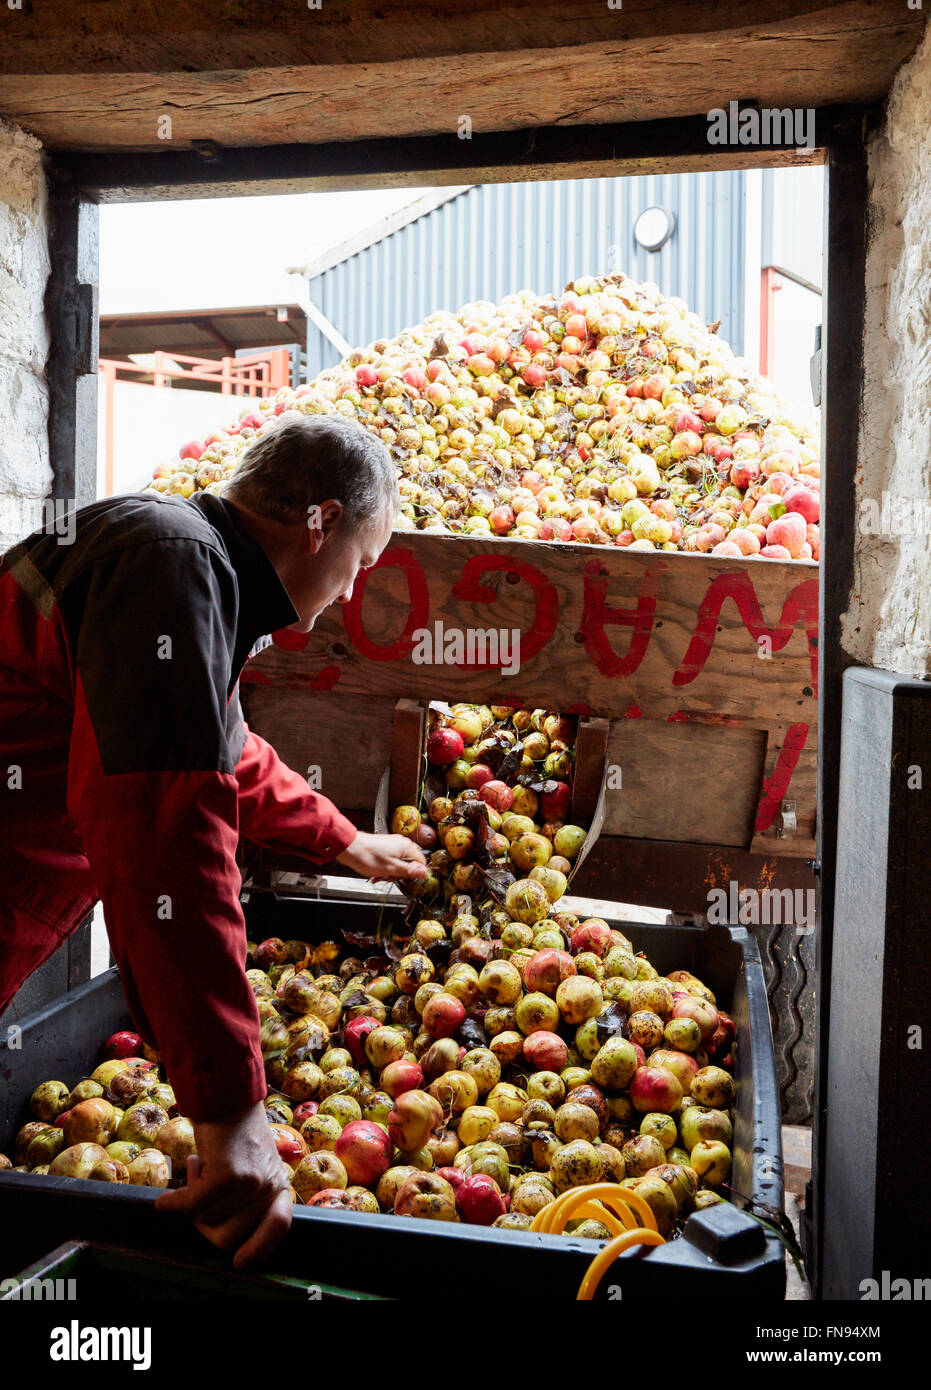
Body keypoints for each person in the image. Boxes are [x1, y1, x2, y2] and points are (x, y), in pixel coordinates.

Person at [0, 413, 426, 1266]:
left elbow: (219, 747)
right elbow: (169, 835)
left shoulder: (179, 556)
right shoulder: (170, 562)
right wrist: (231, 1117)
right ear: (325, 524)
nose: (350, 591)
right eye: (362, 566)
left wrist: (342, 841)